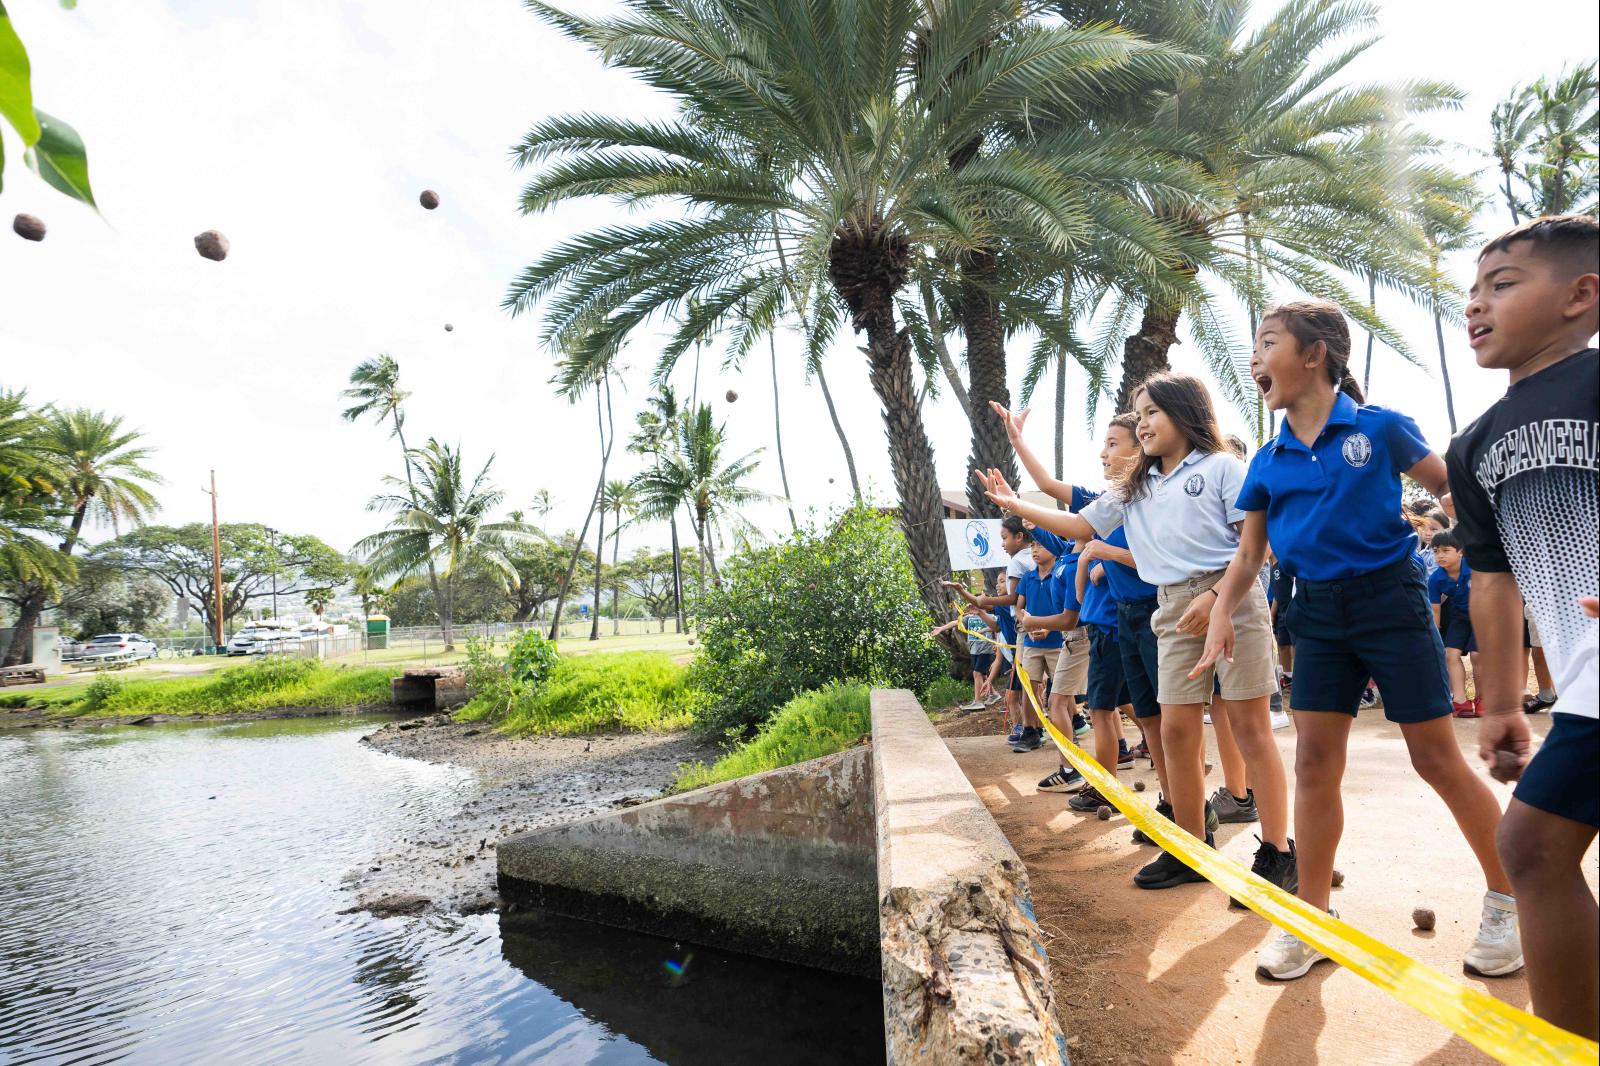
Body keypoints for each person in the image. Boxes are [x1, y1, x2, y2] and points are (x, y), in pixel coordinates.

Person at [1194, 298, 1520, 982]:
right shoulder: (1268, 459)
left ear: (1314, 356)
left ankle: (1509, 899)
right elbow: (1249, 556)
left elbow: (1449, 488)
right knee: (1313, 763)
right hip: (1315, 614)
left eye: (1268, 343)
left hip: (1390, 600)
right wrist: (1223, 608)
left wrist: (1487, 543)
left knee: (1436, 759)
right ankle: (1312, 921)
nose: (1254, 358)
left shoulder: (1379, 429)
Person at [981, 374, 1292, 893]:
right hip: (1170, 608)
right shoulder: (1135, 487)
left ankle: (1280, 853)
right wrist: (1016, 507)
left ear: (1186, 412)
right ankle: (1191, 849)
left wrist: (1216, 598)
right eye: (1138, 413)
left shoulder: (1223, 468)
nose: (1142, 423)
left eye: (1151, 412)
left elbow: (1258, 549)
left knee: (1249, 728)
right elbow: (1080, 525)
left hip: (1231, 601)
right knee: (1174, 731)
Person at [1450, 214, 1598, 1038]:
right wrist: (1503, 703)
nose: (1477, 305)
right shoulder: (1472, 446)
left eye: (1502, 285)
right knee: (1534, 850)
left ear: (1582, 296)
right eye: (1472, 291)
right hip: (1582, 685)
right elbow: (1494, 579)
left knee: (1531, 847)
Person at [998, 410, 1166, 823]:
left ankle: (1114, 788)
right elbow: (1047, 488)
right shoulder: (1105, 503)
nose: (1103, 453)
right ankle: (1126, 790)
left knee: (1127, 713)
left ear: (1138, 448)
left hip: (1133, 619)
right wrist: (1018, 446)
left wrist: (1102, 554)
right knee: (1128, 712)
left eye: (1113, 444)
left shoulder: (1146, 500)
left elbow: (1159, 560)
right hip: (1116, 624)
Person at [946, 516, 1036, 745]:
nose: (1003, 544)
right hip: (1026, 639)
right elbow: (988, 613)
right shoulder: (1033, 562)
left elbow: (1007, 600)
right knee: (1026, 692)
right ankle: (1031, 729)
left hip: (1025, 638)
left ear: (1019, 536)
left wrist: (980, 600)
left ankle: (1030, 731)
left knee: (1020, 693)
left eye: (1004, 538)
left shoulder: (1017, 565)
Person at [1013, 530, 1083, 772]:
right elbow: (1019, 608)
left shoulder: (1061, 574)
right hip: (1032, 643)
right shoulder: (1027, 578)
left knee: (1062, 690)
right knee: (1029, 687)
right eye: (1032, 545)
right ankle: (1030, 730)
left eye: (1040, 546)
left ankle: (1072, 729)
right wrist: (1027, 622)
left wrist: (1045, 627)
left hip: (1057, 641)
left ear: (1055, 549)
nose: (1035, 550)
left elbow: (1069, 614)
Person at [1427, 530, 1480, 717]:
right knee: (1451, 655)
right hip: (1460, 618)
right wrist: (1435, 636)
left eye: (1445, 550)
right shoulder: (1435, 579)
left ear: (1460, 552)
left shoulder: (1475, 568)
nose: (1439, 555)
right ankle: (1460, 700)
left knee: (1477, 655)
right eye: (1435, 551)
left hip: (1482, 616)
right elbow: (1435, 609)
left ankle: (1482, 698)